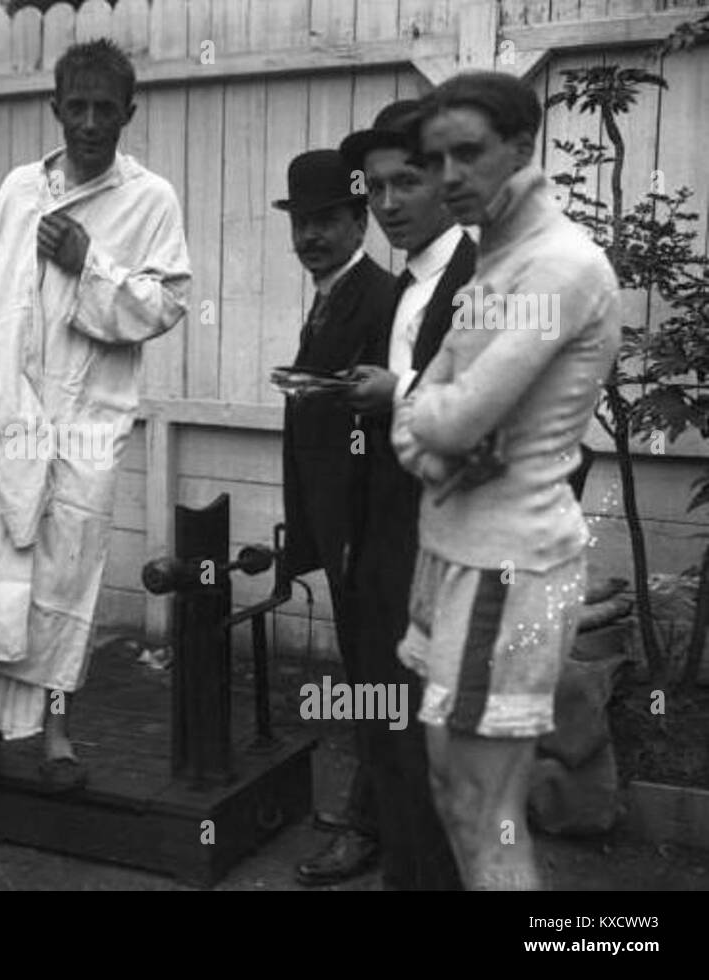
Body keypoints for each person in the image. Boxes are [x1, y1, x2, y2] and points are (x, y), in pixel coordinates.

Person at [0, 39, 191, 790]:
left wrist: (91, 264)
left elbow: (164, 304)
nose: (88, 123)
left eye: (104, 109)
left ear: (128, 114)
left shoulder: (150, 201)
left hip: (81, 427)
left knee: (61, 578)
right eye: (75, 106)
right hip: (0, 417)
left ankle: (54, 733)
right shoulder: (18, 191)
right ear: (54, 109)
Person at [393, 71, 620, 890]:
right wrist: (431, 421)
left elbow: (446, 419)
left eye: (469, 153)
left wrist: (429, 419)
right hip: (453, 552)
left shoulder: (558, 267)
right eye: (437, 157)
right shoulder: (497, 258)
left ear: (522, 147)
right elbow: (425, 415)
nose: (449, 175)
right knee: (456, 794)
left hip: (508, 567)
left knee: (483, 811)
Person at [335, 100, 475, 890]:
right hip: (391, 539)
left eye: (406, 183)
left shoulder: (480, 278)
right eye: (376, 188)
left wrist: (402, 389)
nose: (388, 204)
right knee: (390, 732)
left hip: (449, 545)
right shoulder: (406, 287)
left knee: (437, 741)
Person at [272, 148, 394, 887]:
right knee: (367, 673)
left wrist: (352, 539)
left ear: (359, 223)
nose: (312, 236)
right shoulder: (331, 296)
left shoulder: (377, 299)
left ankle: (368, 828)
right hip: (340, 521)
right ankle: (374, 810)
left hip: (370, 526)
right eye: (303, 223)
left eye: (328, 222)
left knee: (378, 678)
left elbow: (384, 431)